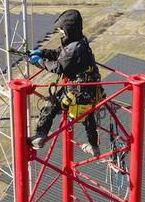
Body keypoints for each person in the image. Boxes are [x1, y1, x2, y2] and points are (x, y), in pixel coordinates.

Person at [28, 9, 102, 156]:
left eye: (62, 30)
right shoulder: (79, 42)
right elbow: (59, 54)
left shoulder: (74, 48)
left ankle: (40, 137)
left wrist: (40, 61)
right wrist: (42, 52)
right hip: (89, 88)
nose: (61, 32)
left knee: (51, 106)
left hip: (78, 90)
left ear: (69, 29)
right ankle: (94, 146)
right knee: (88, 117)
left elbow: (58, 67)